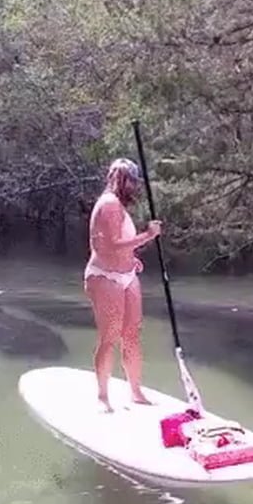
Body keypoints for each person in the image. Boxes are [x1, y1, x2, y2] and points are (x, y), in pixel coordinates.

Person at [84, 158, 162, 413]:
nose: (133, 186)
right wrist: (147, 236)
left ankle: (136, 391)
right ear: (117, 179)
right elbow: (110, 245)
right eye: (129, 180)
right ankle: (102, 396)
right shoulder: (108, 204)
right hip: (104, 276)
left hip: (126, 274)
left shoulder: (119, 205)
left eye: (133, 180)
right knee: (110, 336)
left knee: (132, 334)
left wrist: (131, 259)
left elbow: (121, 245)